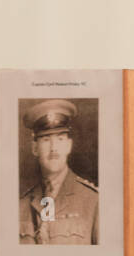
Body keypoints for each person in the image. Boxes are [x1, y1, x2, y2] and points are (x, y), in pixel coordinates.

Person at [19, 100, 99, 246]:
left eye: (60, 139)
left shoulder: (93, 201)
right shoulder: (21, 206)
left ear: (69, 145)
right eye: (46, 139)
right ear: (35, 148)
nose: (53, 148)